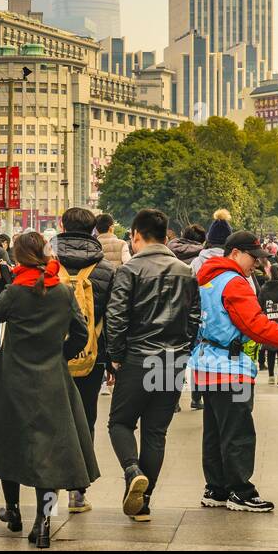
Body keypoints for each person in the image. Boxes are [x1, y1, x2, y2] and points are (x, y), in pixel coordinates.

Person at [0, 232, 100, 548]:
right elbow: (81, 334)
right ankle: (43, 522)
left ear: (19, 257)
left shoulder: (15, 292)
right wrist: (60, 356)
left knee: (9, 444)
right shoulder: (63, 291)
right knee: (51, 453)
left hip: (12, 379)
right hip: (53, 380)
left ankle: (13, 511)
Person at [190, 230, 278, 513]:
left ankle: (216, 488)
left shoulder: (208, 278)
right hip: (231, 367)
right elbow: (256, 326)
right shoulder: (235, 282)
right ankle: (241, 491)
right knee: (238, 432)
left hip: (206, 364)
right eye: (252, 257)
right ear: (235, 254)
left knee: (215, 430)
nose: (256, 263)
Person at [104, 208, 198, 522]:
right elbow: (194, 318)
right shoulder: (186, 271)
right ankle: (143, 502)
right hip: (172, 361)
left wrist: (115, 356)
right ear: (166, 235)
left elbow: (116, 317)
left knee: (120, 423)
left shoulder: (129, 271)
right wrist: (184, 351)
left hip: (137, 358)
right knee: (156, 433)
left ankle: (132, 471)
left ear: (136, 235)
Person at [53, 207, 114, 513]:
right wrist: (113, 359)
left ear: (61, 226)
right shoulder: (105, 270)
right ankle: (78, 491)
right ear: (93, 230)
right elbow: (114, 319)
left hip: (51, 358)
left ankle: (48, 492)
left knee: (52, 420)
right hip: (93, 357)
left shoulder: (48, 266)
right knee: (85, 419)